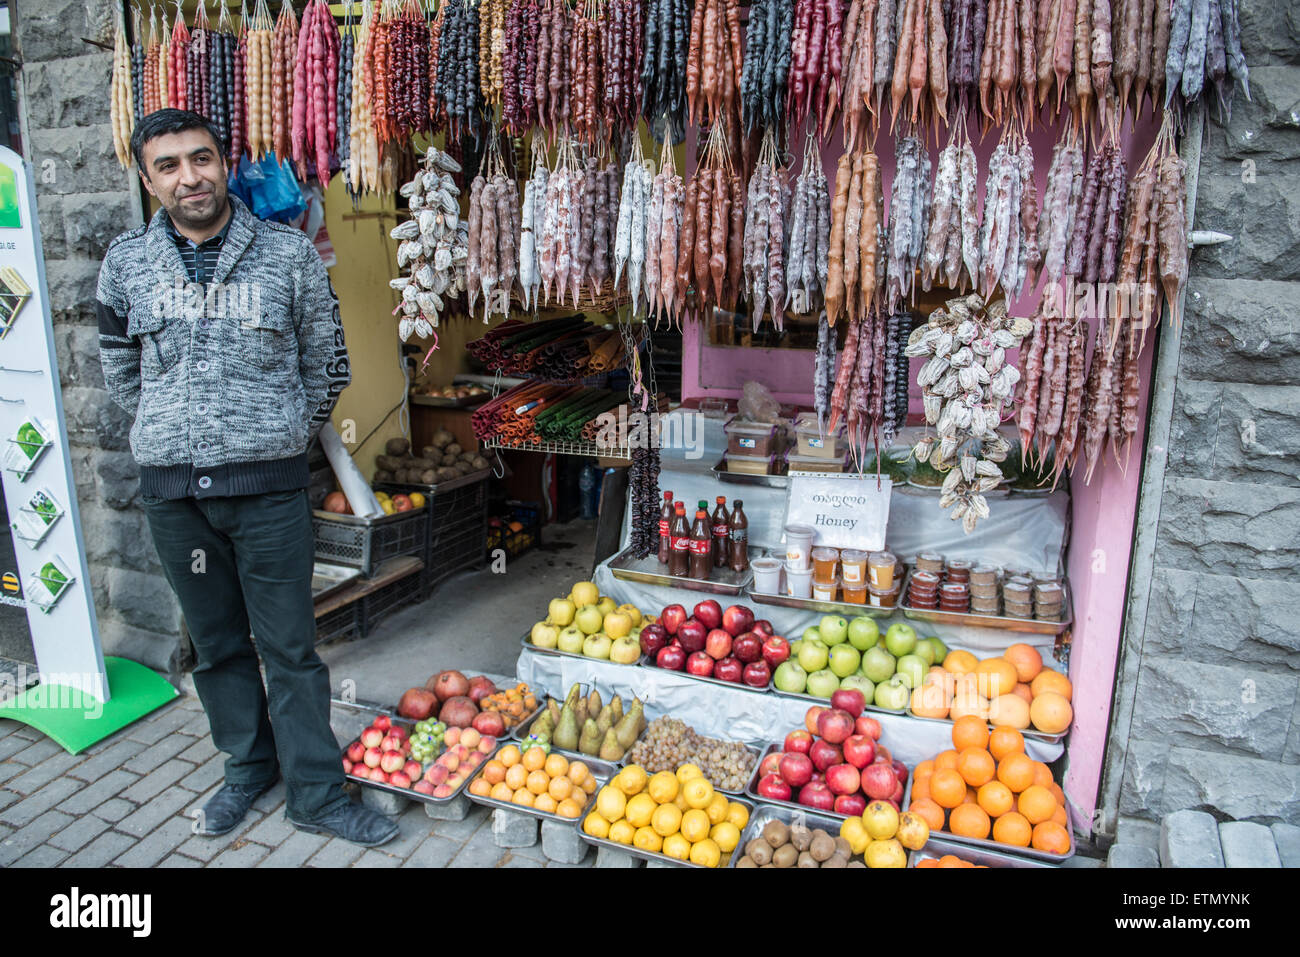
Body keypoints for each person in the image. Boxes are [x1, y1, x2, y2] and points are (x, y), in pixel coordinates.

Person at [95, 109, 397, 847]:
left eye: (200, 159)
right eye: (168, 165)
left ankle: (318, 793)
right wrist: (173, 434)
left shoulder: (287, 255)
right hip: (175, 496)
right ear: (147, 178)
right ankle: (246, 767)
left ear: (224, 162)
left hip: (268, 493)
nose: (188, 176)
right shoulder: (125, 264)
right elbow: (121, 372)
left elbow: (327, 364)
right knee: (217, 644)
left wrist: (276, 437)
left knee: (290, 646)